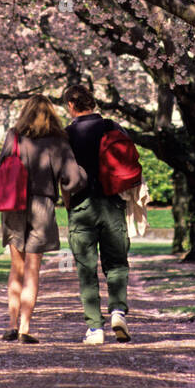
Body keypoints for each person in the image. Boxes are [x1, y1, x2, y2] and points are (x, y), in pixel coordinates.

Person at [0, 94, 87, 344]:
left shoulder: (13, 135)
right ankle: (26, 327)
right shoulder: (58, 142)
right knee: (33, 268)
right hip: (42, 204)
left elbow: (2, 166)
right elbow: (72, 179)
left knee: (16, 266)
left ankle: (11, 324)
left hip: (13, 204)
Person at [63, 82, 132, 345]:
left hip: (81, 206)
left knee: (86, 268)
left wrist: (69, 205)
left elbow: (64, 176)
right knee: (116, 264)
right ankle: (117, 311)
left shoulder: (66, 135)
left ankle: (95, 328)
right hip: (112, 203)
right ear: (93, 102)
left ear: (71, 105)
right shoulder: (111, 127)